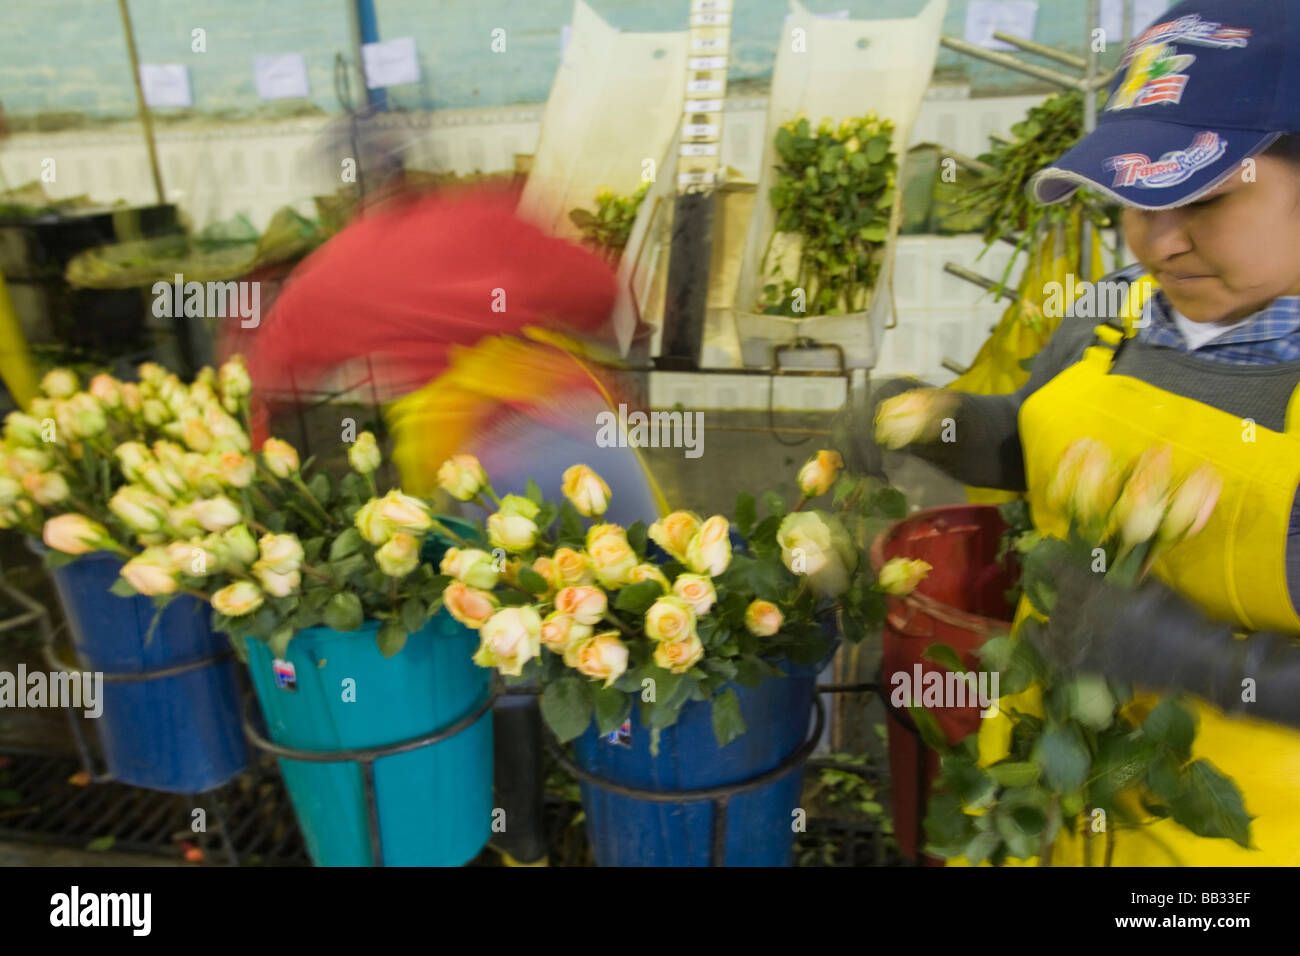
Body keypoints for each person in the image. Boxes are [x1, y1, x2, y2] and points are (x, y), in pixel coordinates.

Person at [869, 0, 1300, 865]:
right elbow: (1034, 449)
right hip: (1050, 799)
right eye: (1135, 201)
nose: (1158, 244)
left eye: (1202, 199)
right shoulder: (1114, 315)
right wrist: (938, 424)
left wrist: (1192, 657)